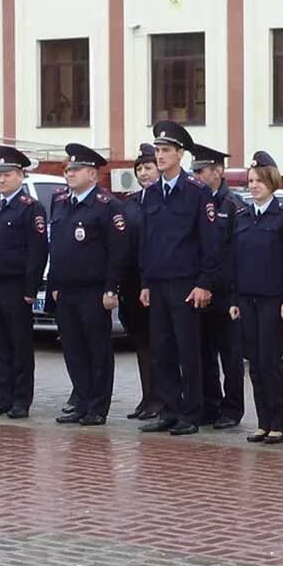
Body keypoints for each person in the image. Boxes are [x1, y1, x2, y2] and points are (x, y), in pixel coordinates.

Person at [138, 121, 220, 436]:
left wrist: (204, 282)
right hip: (158, 282)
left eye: (166, 151)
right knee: (162, 349)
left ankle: (192, 412)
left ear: (180, 154)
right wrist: (145, 282)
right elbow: (147, 241)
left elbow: (209, 242)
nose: (159, 156)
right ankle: (169, 409)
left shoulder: (196, 192)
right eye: (157, 150)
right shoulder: (151, 194)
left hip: (186, 284)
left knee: (189, 350)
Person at [49, 143, 128, 426]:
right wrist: (54, 284)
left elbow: (116, 251)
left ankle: (97, 407)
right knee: (73, 349)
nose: (70, 174)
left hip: (94, 291)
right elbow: (56, 246)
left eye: (76, 169)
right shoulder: (59, 201)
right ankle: (81, 400)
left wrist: (111, 288)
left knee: (97, 350)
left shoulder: (107, 206)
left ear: (93, 174)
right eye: (68, 169)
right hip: (66, 290)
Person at [229, 151, 283, 444]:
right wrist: (234, 299)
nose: (254, 186)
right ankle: (262, 421)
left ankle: (279, 424)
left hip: (273, 299)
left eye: (259, 181)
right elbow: (234, 261)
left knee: (270, 362)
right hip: (247, 299)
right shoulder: (242, 216)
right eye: (250, 181)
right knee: (255, 364)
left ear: (272, 182)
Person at [0, 146, 48, 418]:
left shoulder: (30, 208)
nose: (1, 180)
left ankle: (20, 400)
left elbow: (37, 252)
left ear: (20, 176)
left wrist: (31, 289)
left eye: (7, 175)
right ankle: (2, 396)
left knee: (19, 347)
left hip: (16, 289)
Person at [191, 143, 245, 430]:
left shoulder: (233, 205)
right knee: (203, 353)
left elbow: (233, 253)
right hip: (201, 291)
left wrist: (221, 286)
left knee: (231, 356)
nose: (197, 176)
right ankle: (209, 405)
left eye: (202, 171)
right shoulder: (196, 201)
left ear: (218, 172)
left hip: (226, 292)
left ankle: (232, 408)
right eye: (195, 171)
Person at [119, 144, 163, 420]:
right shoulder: (130, 203)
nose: (144, 173)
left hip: (156, 281)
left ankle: (161, 398)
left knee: (160, 343)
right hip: (132, 282)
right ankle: (147, 396)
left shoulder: (164, 200)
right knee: (141, 342)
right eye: (140, 169)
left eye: (149, 167)